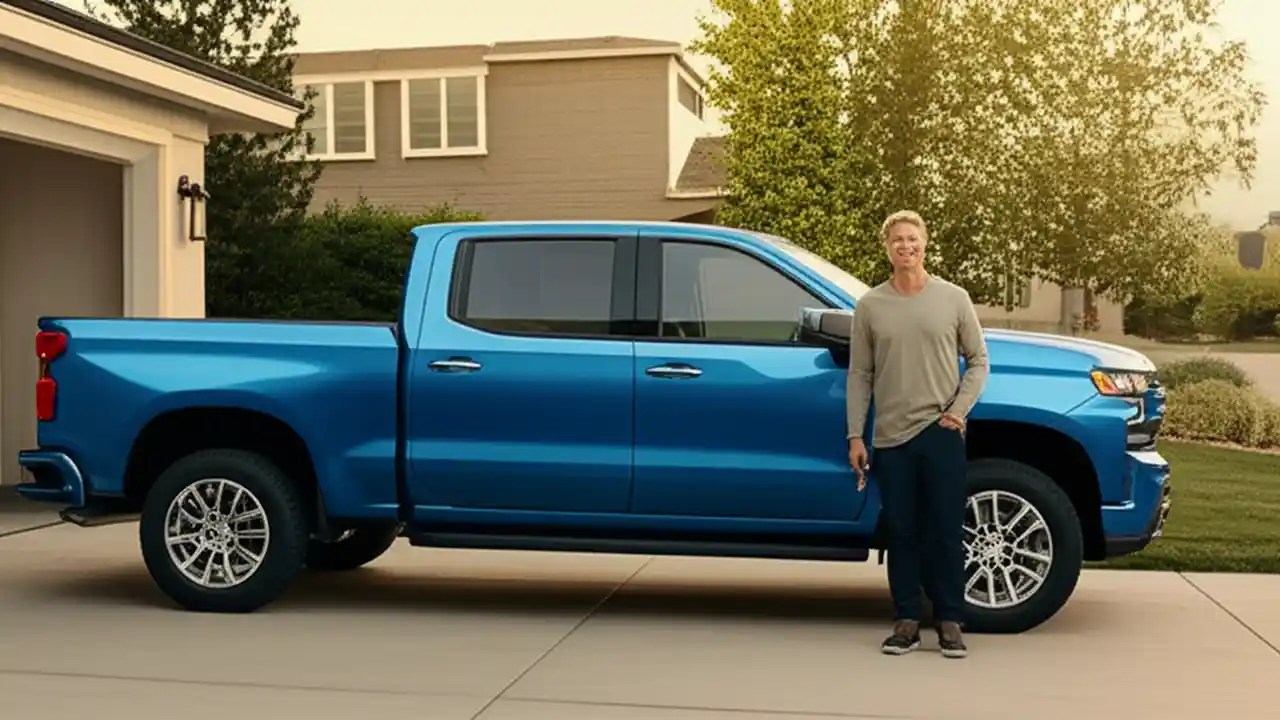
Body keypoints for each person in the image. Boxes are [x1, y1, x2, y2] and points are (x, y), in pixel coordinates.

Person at [845, 210, 990, 659]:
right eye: (897, 240)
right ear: (886, 247)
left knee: (946, 529)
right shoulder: (871, 305)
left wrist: (958, 412)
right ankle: (906, 620)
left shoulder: (953, 299)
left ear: (925, 243)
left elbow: (979, 360)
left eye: (912, 239)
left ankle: (949, 621)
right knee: (902, 532)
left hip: (941, 433)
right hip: (891, 438)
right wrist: (856, 435)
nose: (905, 246)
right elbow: (860, 374)